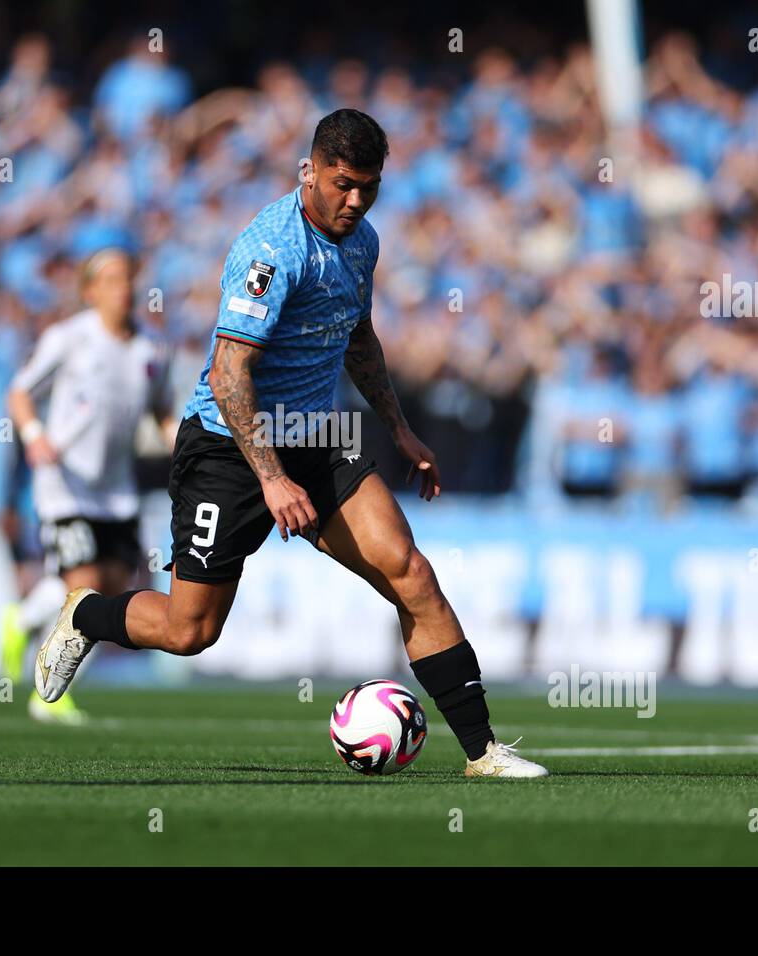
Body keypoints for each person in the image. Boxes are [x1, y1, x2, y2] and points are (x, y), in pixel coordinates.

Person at [34, 109, 547, 778]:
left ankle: (482, 752)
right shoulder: (272, 249)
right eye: (343, 184)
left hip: (316, 437)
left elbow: (357, 336)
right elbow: (228, 372)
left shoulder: (362, 242)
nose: (355, 200)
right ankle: (87, 614)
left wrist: (396, 426)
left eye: (369, 186)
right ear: (310, 171)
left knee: (411, 574)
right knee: (191, 631)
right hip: (227, 446)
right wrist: (272, 478)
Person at [2, 247, 175, 724]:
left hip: (117, 492)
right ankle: (49, 696)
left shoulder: (152, 349)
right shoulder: (69, 338)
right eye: (113, 278)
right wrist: (35, 436)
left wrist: (176, 440)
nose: (126, 287)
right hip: (66, 486)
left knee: (114, 592)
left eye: (129, 277)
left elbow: (161, 408)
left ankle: (25, 617)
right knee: (85, 590)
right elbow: (19, 391)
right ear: (90, 291)